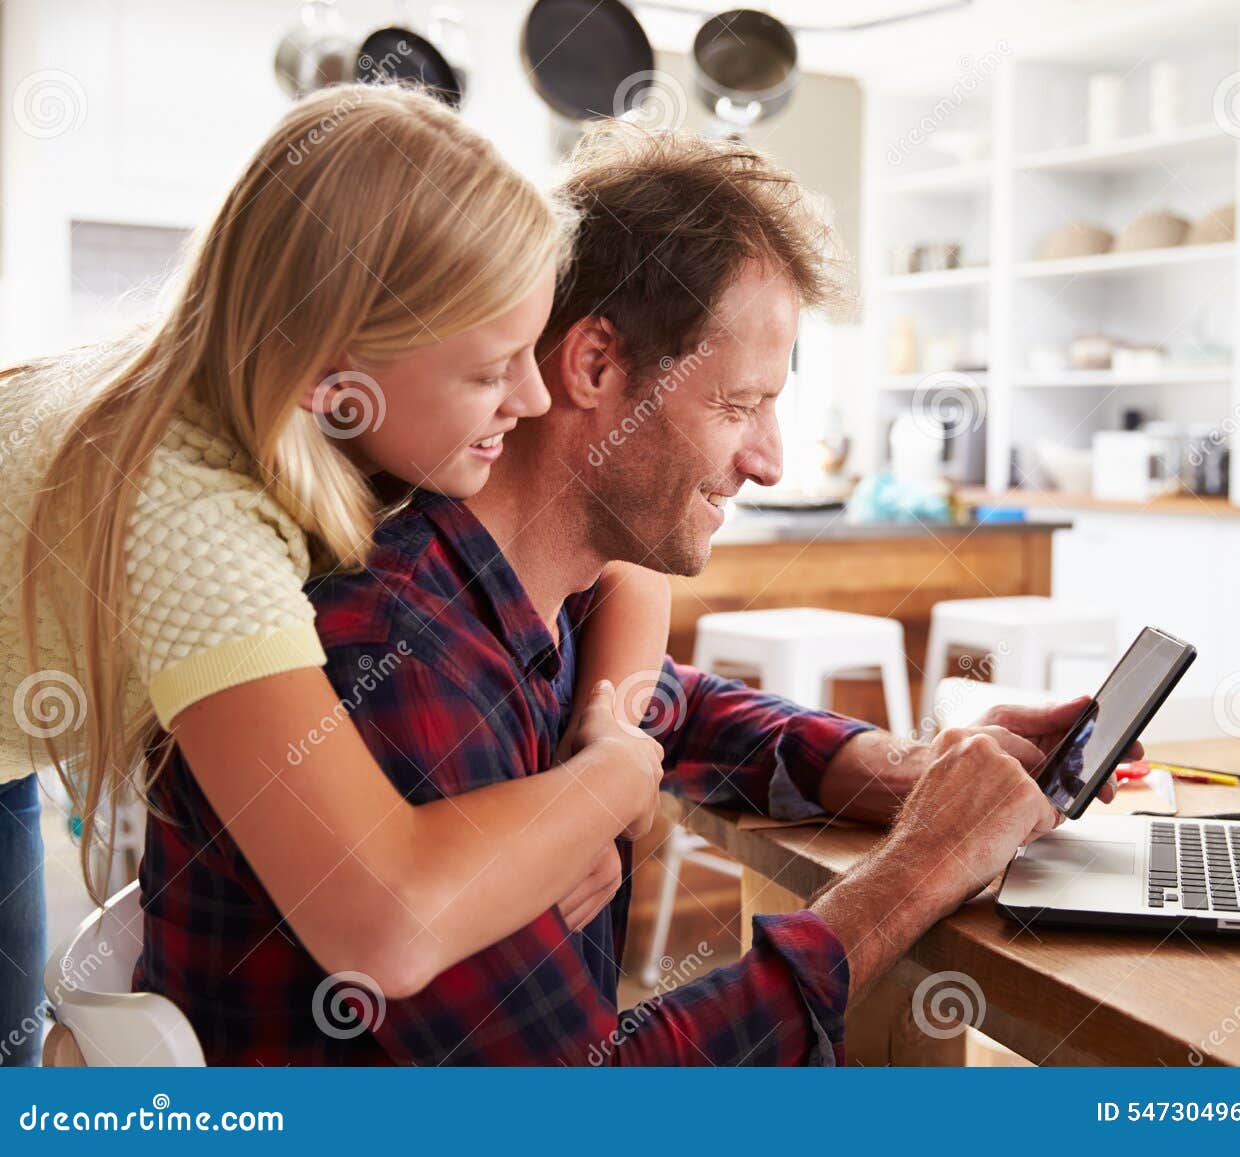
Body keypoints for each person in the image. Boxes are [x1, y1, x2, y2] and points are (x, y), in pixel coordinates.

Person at [137, 122, 1123, 1065]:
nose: (770, 461)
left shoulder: (531, 596)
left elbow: (668, 705)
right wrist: (921, 867)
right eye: (739, 404)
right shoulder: (395, 655)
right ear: (596, 366)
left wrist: (896, 770)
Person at [0, 84, 670, 1067]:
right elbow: (381, 923)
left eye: (531, 353)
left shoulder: (262, 395)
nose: (531, 397)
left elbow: (621, 562)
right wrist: (611, 781)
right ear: (331, 373)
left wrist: (597, 735)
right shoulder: (194, 522)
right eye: (490, 370)